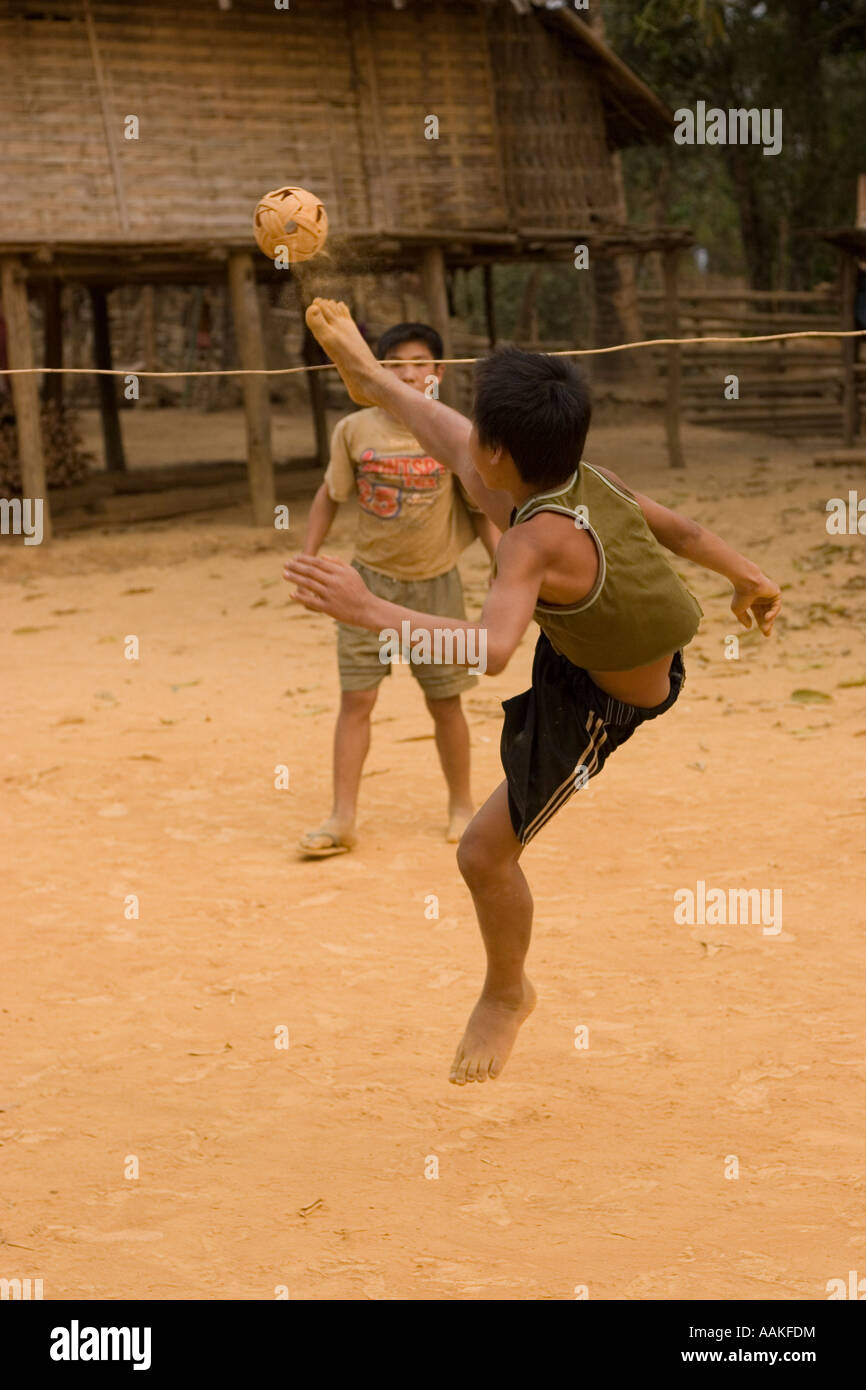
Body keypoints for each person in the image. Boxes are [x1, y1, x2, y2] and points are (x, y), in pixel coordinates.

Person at [285, 299, 783, 1085]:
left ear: (500, 448)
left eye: (478, 433)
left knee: (482, 855)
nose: (466, 438)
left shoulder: (527, 540)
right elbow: (681, 531)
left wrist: (367, 608)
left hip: (599, 702)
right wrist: (747, 575)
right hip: (585, 638)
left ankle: (507, 990)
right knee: (430, 427)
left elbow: (490, 650)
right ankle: (374, 379)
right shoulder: (587, 477)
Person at [297, 320, 498, 858]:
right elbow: (329, 495)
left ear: (439, 372)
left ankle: (461, 806)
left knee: (446, 700)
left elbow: (482, 512)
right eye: (393, 364)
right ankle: (342, 817)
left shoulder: (457, 434)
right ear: (373, 373)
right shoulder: (355, 430)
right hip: (364, 588)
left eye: (418, 363)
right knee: (356, 698)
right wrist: (308, 558)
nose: (407, 374)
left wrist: (510, 568)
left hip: (437, 587)